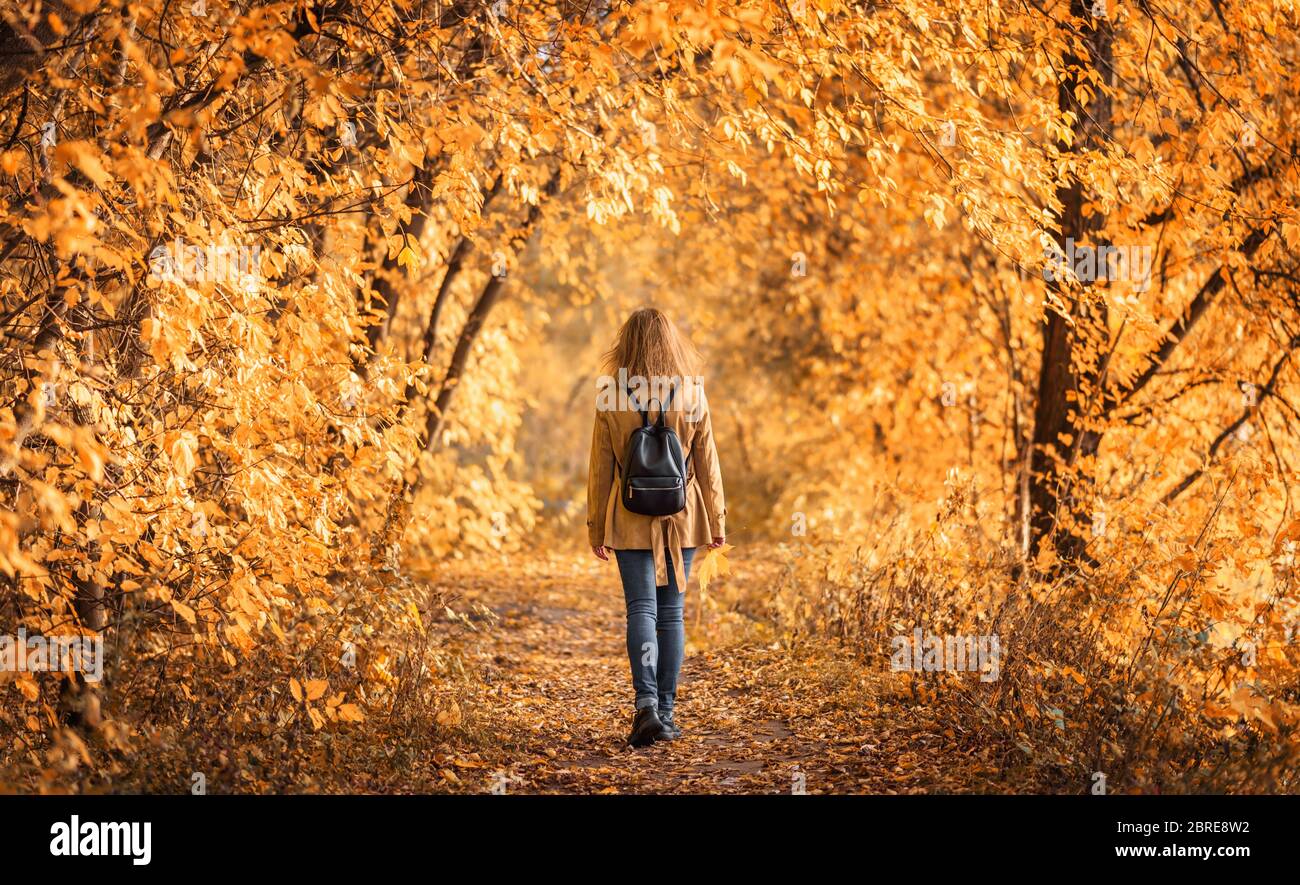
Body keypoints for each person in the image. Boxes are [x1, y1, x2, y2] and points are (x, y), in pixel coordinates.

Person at [586, 308, 726, 747]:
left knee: (641, 610)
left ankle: (645, 708)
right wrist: (718, 521)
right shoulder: (692, 393)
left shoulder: (611, 392)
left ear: (626, 344)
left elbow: (600, 469)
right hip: (681, 516)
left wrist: (596, 527)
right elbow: (707, 463)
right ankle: (665, 711)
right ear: (672, 343)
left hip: (629, 517)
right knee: (671, 614)